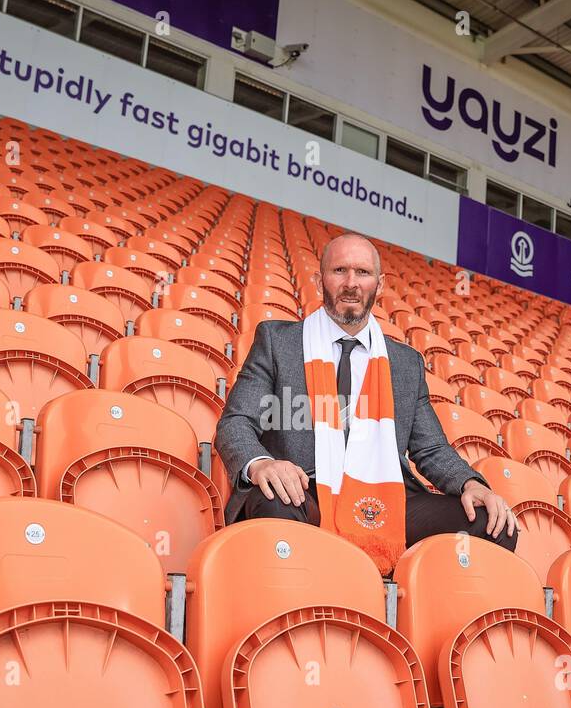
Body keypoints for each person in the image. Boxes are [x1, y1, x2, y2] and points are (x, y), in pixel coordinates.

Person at [215, 232, 517, 574]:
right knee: (274, 504)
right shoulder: (277, 341)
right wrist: (262, 464)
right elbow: (235, 422)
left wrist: (471, 484)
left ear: (380, 284)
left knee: (494, 524)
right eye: (339, 270)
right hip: (306, 488)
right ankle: (304, 620)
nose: (350, 284)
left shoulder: (404, 363)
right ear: (319, 280)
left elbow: (431, 449)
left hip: (384, 495)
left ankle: (425, 623)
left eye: (362, 273)